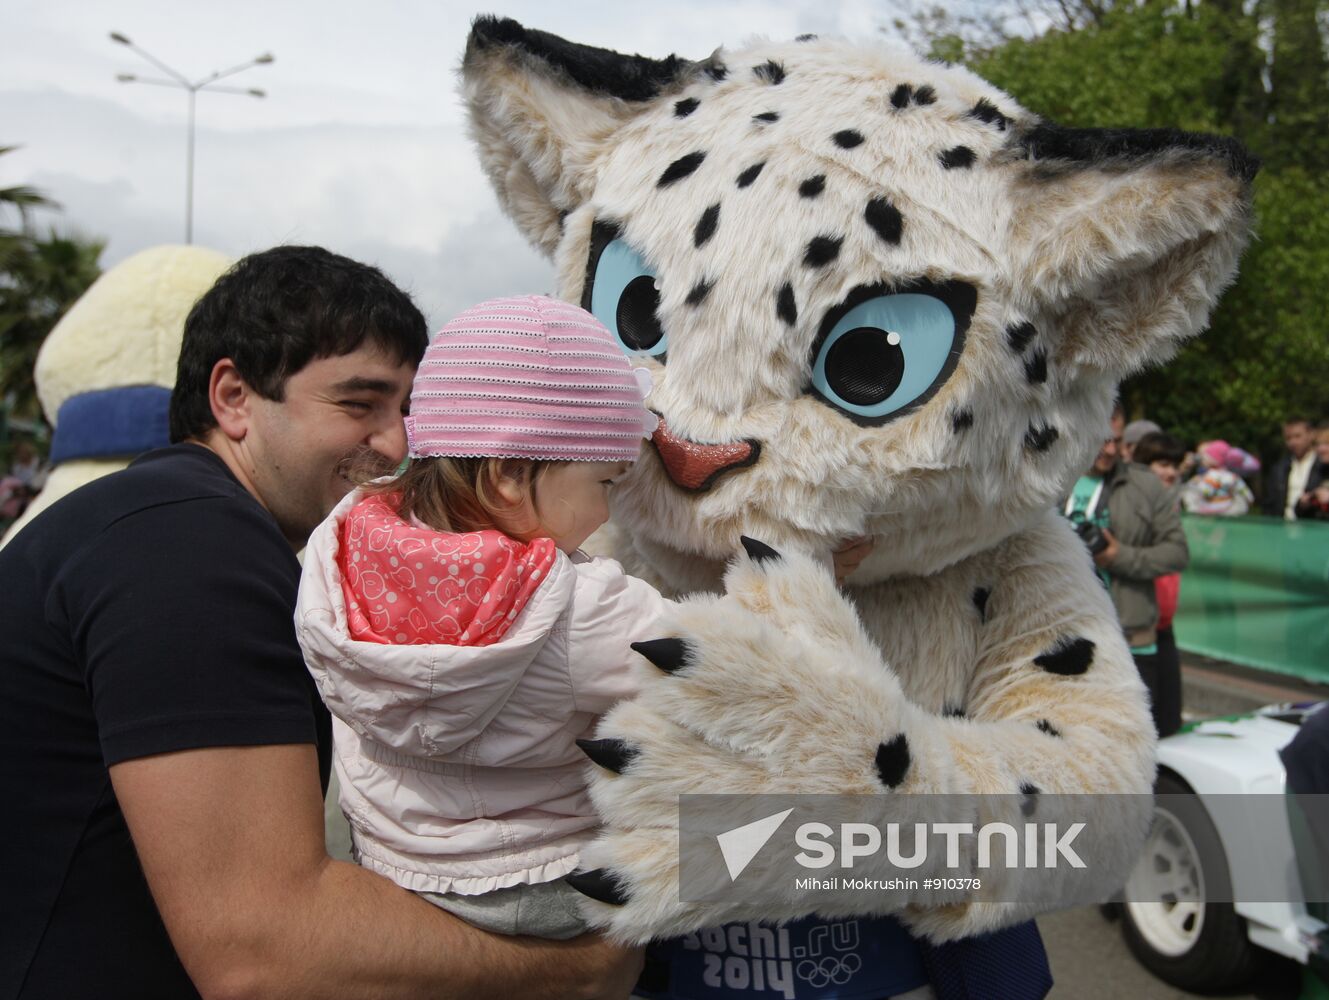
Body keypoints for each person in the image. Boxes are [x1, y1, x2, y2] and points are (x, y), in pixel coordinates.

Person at [0, 247, 646, 999]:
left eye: (407, 410)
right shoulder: (189, 549)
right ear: (234, 396)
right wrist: (580, 970)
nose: (399, 444)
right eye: (358, 404)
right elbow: (262, 949)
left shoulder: (165, 532)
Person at [299, 294, 672, 940]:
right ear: (507, 474)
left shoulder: (341, 547)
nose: (607, 514)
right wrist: (799, 588)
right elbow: (721, 664)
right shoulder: (574, 605)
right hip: (544, 883)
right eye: (604, 484)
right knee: (755, 837)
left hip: (395, 870)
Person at [1063, 407, 1188, 737]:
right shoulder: (1053, 480)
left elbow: (1177, 552)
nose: (1109, 449)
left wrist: (1120, 556)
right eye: (1102, 439)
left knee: (1136, 744)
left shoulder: (1144, 485)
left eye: (1116, 441)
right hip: (1067, 634)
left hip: (1131, 637)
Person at [1263, 417, 1326, 520]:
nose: (1293, 442)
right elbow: (1269, 504)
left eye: (1298, 436)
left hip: (1313, 528)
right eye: (1288, 438)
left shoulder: (1323, 467)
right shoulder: (1279, 468)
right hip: (1282, 528)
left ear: (1311, 435)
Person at [1180, 439, 1258, 517]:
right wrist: (1249, 498)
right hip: (1226, 508)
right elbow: (1242, 489)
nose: (1202, 458)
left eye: (1205, 455)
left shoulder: (1209, 475)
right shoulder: (1231, 476)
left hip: (1209, 508)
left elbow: (1205, 491)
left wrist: (1195, 485)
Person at [1293, 427, 1329, 521]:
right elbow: (1299, 510)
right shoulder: (1318, 471)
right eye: (1318, 445)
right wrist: (1305, 503)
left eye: (1326, 444)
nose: (1321, 449)